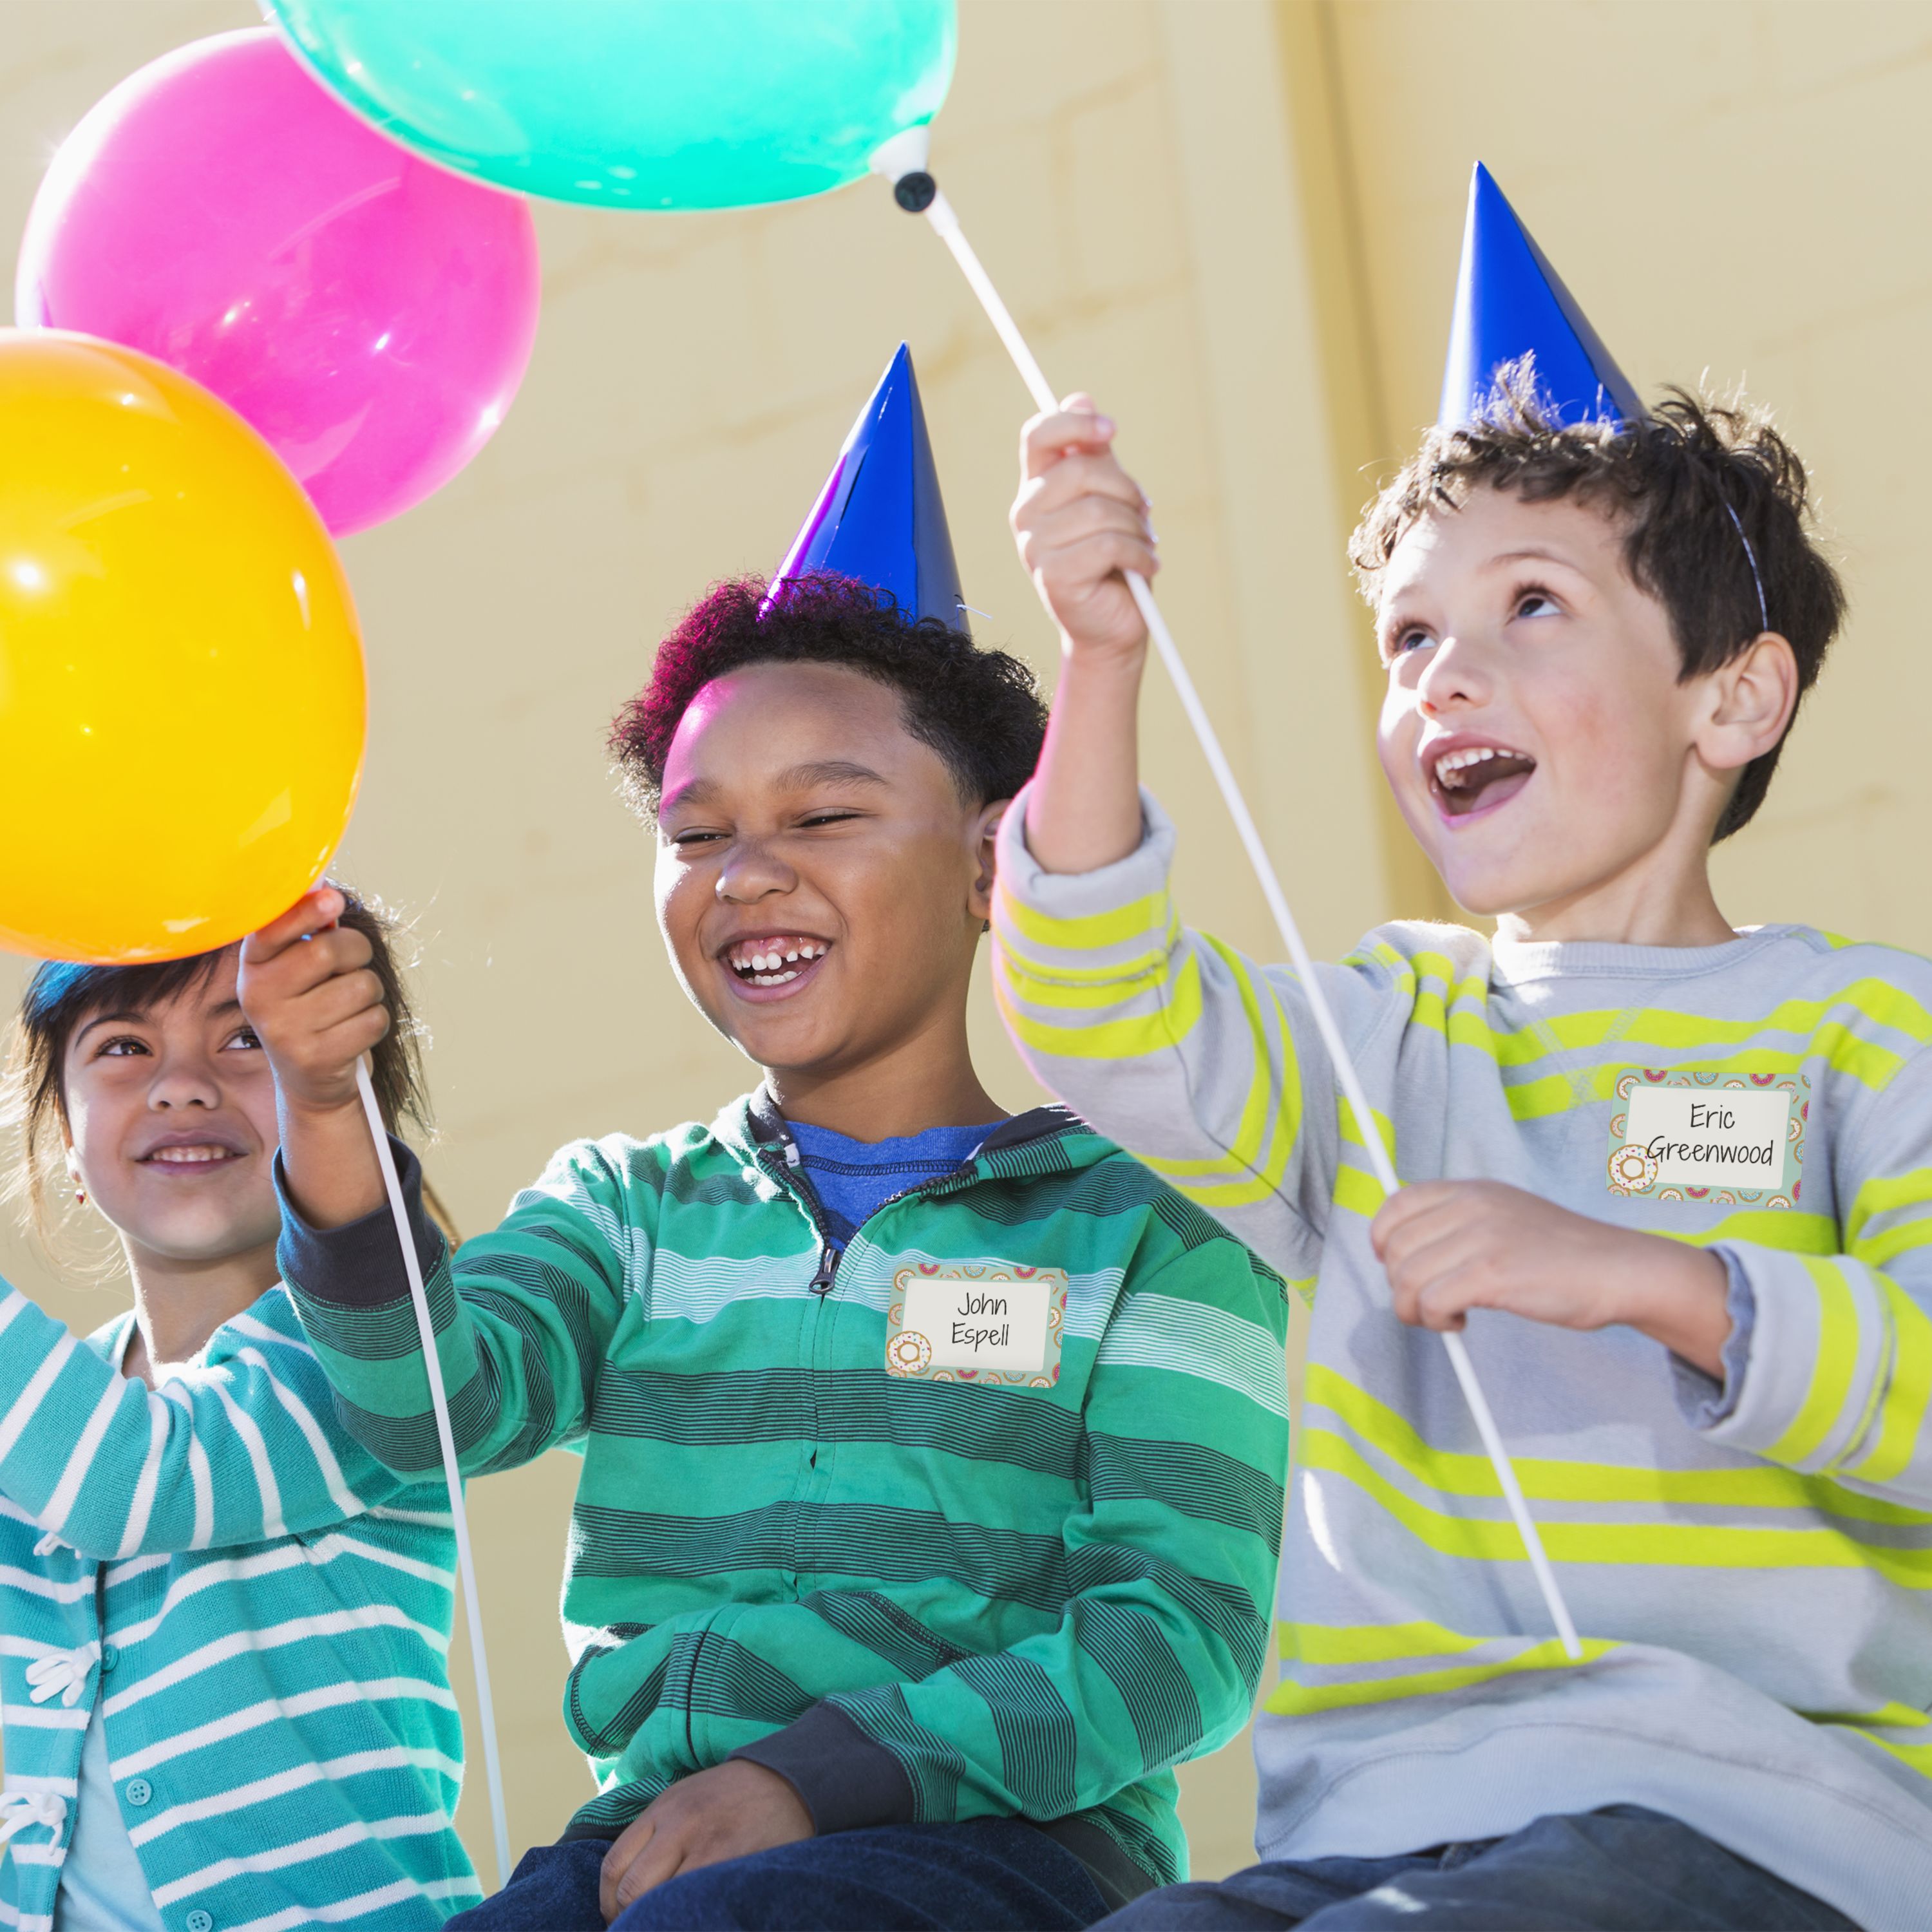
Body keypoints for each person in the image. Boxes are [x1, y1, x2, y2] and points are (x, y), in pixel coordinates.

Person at [238, 346, 1292, 1932]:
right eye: (697, 833)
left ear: (994, 859)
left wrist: (820, 1774)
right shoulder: (626, 1211)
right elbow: (429, 1412)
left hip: (1002, 1854)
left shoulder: (1150, 1220)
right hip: (651, 1844)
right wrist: (326, 1109)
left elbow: (1176, 1638)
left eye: (824, 815)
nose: (746, 874)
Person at [992, 166, 1931, 1930]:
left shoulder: (1867, 1031)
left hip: (1769, 1826)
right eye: (1410, 635)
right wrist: (1099, 663)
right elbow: (1101, 1008)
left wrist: (1653, 1279)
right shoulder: (1380, 1037)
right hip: (1380, 1821)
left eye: (1531, 611)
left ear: (1733, 697)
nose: (1444, 678)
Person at [0, 893, 478, 1932]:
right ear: (65, 1150)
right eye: (125, 1046)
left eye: (248, 1039)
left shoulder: (371, 1357)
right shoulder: (36, 1418)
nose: (182, 1085)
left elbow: (140, 1477)